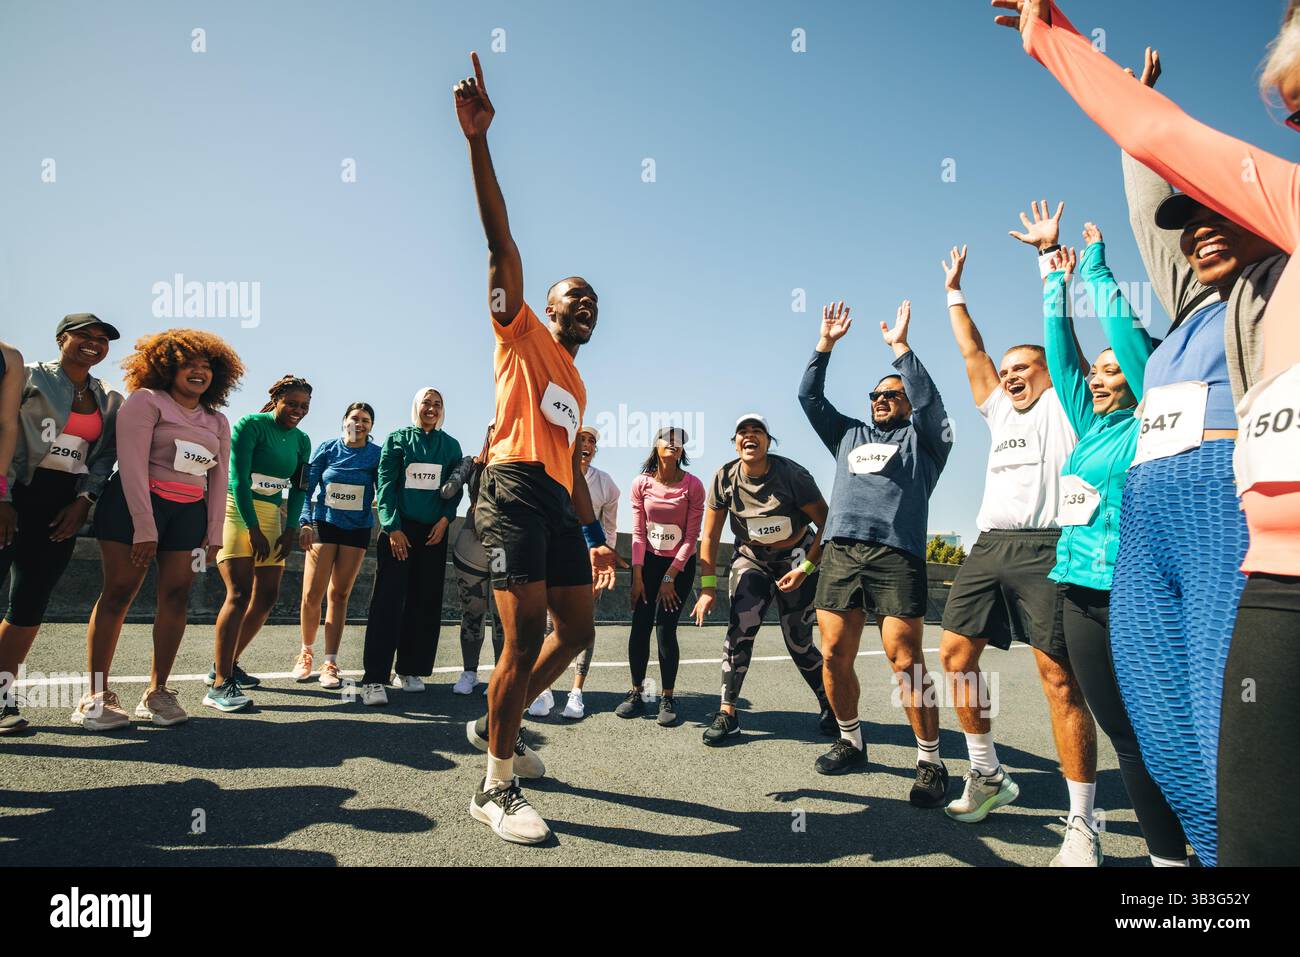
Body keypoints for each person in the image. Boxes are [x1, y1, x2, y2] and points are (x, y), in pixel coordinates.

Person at [993, 0, 1300, 866]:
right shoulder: (1189, 302)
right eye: (1185, 219)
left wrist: (1138, 112)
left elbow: (1174, 147)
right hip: (1146, 536)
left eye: (1215, 212)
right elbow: (1152, 184)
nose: (1197, 228)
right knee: (1156, 738)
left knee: (1222, 740)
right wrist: (1132, 128)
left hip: (1226, 519)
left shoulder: (1266, 284)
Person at [455, 51, 617, 845]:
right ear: (544, 306)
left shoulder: (577, 387)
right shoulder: (519, 332)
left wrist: (595, 536)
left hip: (553, 498)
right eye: (570, 294)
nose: (582, 302)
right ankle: (495, 784)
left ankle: (505, 726)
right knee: (518, 638)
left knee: (578, 633)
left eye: (591, 299)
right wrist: (479, 141)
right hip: (511, 489)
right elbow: (499, 240)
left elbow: (575, 472)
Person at [934, 234, 1094, 862]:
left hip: (1050, 545)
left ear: (1049, 371)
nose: (1011, 376)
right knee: (953, 658)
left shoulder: (1065, 402)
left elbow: (1064, 342)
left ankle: (1084, 819)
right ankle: (989, 774)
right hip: (989, 545)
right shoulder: (1000, 410)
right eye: (1007, 372)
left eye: (1023, 367)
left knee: (1059, 680)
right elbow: (972, 349)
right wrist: (953, 293)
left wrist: (1050, 263)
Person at [1042, 233, 1190, 867]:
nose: (1097, 381)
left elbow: (1126, 340)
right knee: (1125, 739)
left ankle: (1199, 851)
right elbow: (1061, 361)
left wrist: (1094, 268)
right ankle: (1162, 859)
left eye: (1112, 372)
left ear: (1136, 377)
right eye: (1095, 374)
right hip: (1078, 594)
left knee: (1165, 735)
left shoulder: (1149, 416)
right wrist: (1054, 277)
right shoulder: (1090, 423)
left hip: (1135, 593)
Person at [798, 300, 954, 808]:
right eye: (876, 395)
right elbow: (808, 395)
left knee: (904, 659)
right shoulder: (848, 434)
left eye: (892, 394)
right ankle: (851, 740)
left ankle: (930, 761)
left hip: (897, 554)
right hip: (842, 553)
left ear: (908, 402)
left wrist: (901, 349)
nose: (881, 400)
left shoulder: (924, 442)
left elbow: (933, 403)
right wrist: (825, 344)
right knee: (834, 655)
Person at [76, 329, 241, 729]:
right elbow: (130, 465)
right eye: (189, 364)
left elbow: (219, 480)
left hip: (187, 513)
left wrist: (215, 533)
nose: (199, 372)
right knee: (119, 592)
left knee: (177, 595)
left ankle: (157, 692)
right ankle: (95, 695)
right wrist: (145, 526)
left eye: (206, 366)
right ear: (167, 367)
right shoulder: (146, 401)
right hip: (134, 508)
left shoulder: (217, 420)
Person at [0, 316, 123, 735]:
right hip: (14, 494)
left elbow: (104, 456)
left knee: (29, 604)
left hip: (62, 504)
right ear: (61, 339)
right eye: (84, 336)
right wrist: (3, 496)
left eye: (102, 339)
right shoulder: (29, 375)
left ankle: (1, 696)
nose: (94, 344)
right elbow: (5, 430)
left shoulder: (109, 399)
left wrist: (85, 500)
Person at [693, 414, 836, 745]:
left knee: (798, 642)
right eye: (742, 431)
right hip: (752, 558)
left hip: (796, 558)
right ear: (736, 442)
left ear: (769, 442)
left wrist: (808, 568)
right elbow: (710, 537)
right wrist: (708, 588)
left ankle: (829, 703)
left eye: (757, 431)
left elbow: (827, 523)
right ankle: (727, 714)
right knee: (739, 632)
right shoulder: (724, 478)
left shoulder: (793, 475)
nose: (749, 435)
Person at [206, 375, 312, 713]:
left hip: (271, 515)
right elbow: (237, 478)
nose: (297, 411)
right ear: (277, 399)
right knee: (238, 593)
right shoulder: (250, 425)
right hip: (237, 511)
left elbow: (297, 489)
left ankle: (226, 663)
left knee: (267, 596)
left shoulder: (302, 441)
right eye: (292, 403)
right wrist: (251, 528)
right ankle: (221, 685)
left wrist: (290, 528)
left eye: (304, 407)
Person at [357, 388, 462, 705]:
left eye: (437, 404)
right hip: (400, 530)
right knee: (388, 602)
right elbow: (386, 484)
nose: (431, 408)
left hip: (433, 532)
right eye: (426, 403)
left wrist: (445, 520)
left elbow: (454, 490)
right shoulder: (397, 439)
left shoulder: (451, 445)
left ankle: (410, 669)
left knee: (425, 601)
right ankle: (374, 678)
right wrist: (392, 527)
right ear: (416, 406)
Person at [527, 423, 623, 720]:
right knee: (545, 625)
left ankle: (576, 692)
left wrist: (601, 561)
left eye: (591, 441)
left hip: (586, 563)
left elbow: (609, 528)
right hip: (551, 556)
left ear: (595, 448)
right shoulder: (552, 472)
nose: (586, 444)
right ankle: (543, 691)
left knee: (582, 628)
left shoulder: (606, 483)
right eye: (581, 438)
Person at [613, 427, 703, 727]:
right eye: (668, 439)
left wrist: (670, 577)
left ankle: (666, 696)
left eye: (679, 443)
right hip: (647, 563)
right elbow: (638, 533)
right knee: (639, 626)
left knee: (666, 629)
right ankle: (637, 692)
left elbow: (691, 538)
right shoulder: (641, 483)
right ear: (657, 446)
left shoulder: (693, 486)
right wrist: (637, 575)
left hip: (678, 567)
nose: (674, 445)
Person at [293, 402, 380, 690]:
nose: (360, 423)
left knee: (340, 594)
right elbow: (306, 487)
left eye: (366, 420)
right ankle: (306, 652)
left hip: (357, 529)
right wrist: (305, 520)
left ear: (371, 426)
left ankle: (330, 662)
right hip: (324, 524)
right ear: (344, 421)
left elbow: (385, 489)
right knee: (311, 593)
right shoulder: (327, 448)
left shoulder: (376, 454)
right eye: (355, 418)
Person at [450, 424, 501, 696]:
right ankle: (469, 672)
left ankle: (501, 674)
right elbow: (451, 486)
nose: (498, 431)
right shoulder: (473, 463)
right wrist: (453, 480)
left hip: (505, 548)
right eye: (494, 428)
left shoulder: (520, 466)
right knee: (472, 610)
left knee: (502, 614)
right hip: (471, 542)